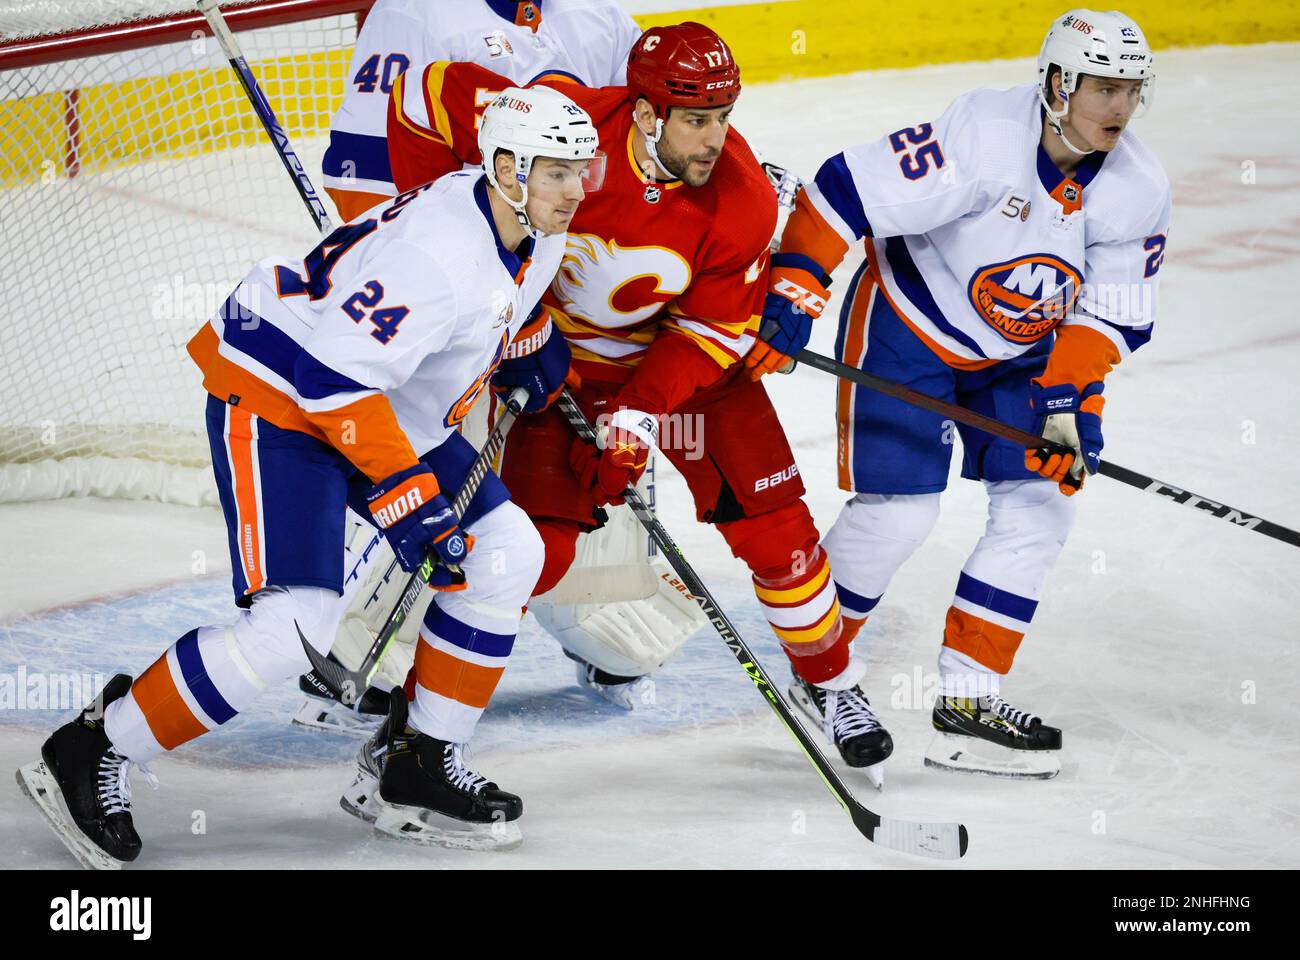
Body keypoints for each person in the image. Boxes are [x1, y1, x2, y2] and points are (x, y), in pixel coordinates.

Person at [17, 86, 601, 865]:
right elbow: (330, 379)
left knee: (507, 553)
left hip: (382, 401)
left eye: (580, 170)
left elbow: (501, 299)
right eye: (558, 173)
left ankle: (414, 765)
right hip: (284, 396)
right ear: (505, 167)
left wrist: (530, 344)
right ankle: (94, 749)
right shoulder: (435, 257)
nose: (578, 189)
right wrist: (409, 500)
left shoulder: (527, 222)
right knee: (293, 630)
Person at [367, 21, 894, 787]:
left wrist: (642, 412)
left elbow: (712, 332)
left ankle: (831, 682)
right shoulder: (562, 126)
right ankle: (418, 735)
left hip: (686, 379)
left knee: (780, 536)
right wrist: (451, 231)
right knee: (529, 557)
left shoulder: (742, 197)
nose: (716, 138)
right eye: (696, 119)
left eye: (723, 115)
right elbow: (422, 98)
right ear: (647, 114)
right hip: (561, 374)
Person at [750, 8, 1168, 778]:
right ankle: (820, 675)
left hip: (1023, 354)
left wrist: (1069, 399)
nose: (1119, 107)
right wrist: (796, 292)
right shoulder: (979, 136)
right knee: (903, 512)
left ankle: (969, 698)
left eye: (1131, 90)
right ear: (1057, 82)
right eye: (1103, 87)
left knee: (1042, 502)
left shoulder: (1138, 185)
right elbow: (845, 189)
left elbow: (1115, 312)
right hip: (908, 327)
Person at [323, 0, 640, 221]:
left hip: (591, 237)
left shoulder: (601, 10)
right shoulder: (410, 14)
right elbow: (361, 174)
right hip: (485, 250)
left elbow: (646, 133)